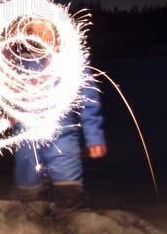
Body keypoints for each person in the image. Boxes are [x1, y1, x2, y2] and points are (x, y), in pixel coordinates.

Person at [8, 19, 107, 211]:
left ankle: (72, 232)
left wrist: (95, 137)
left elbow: (89, 99)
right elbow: (9, 95)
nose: (40, 32)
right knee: (29, 198)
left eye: (44, 26)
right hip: (28, 139)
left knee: (70, 193)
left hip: (62, 138)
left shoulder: (72, 61)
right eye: (34, 27)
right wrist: (12, 112)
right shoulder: (19, 63)